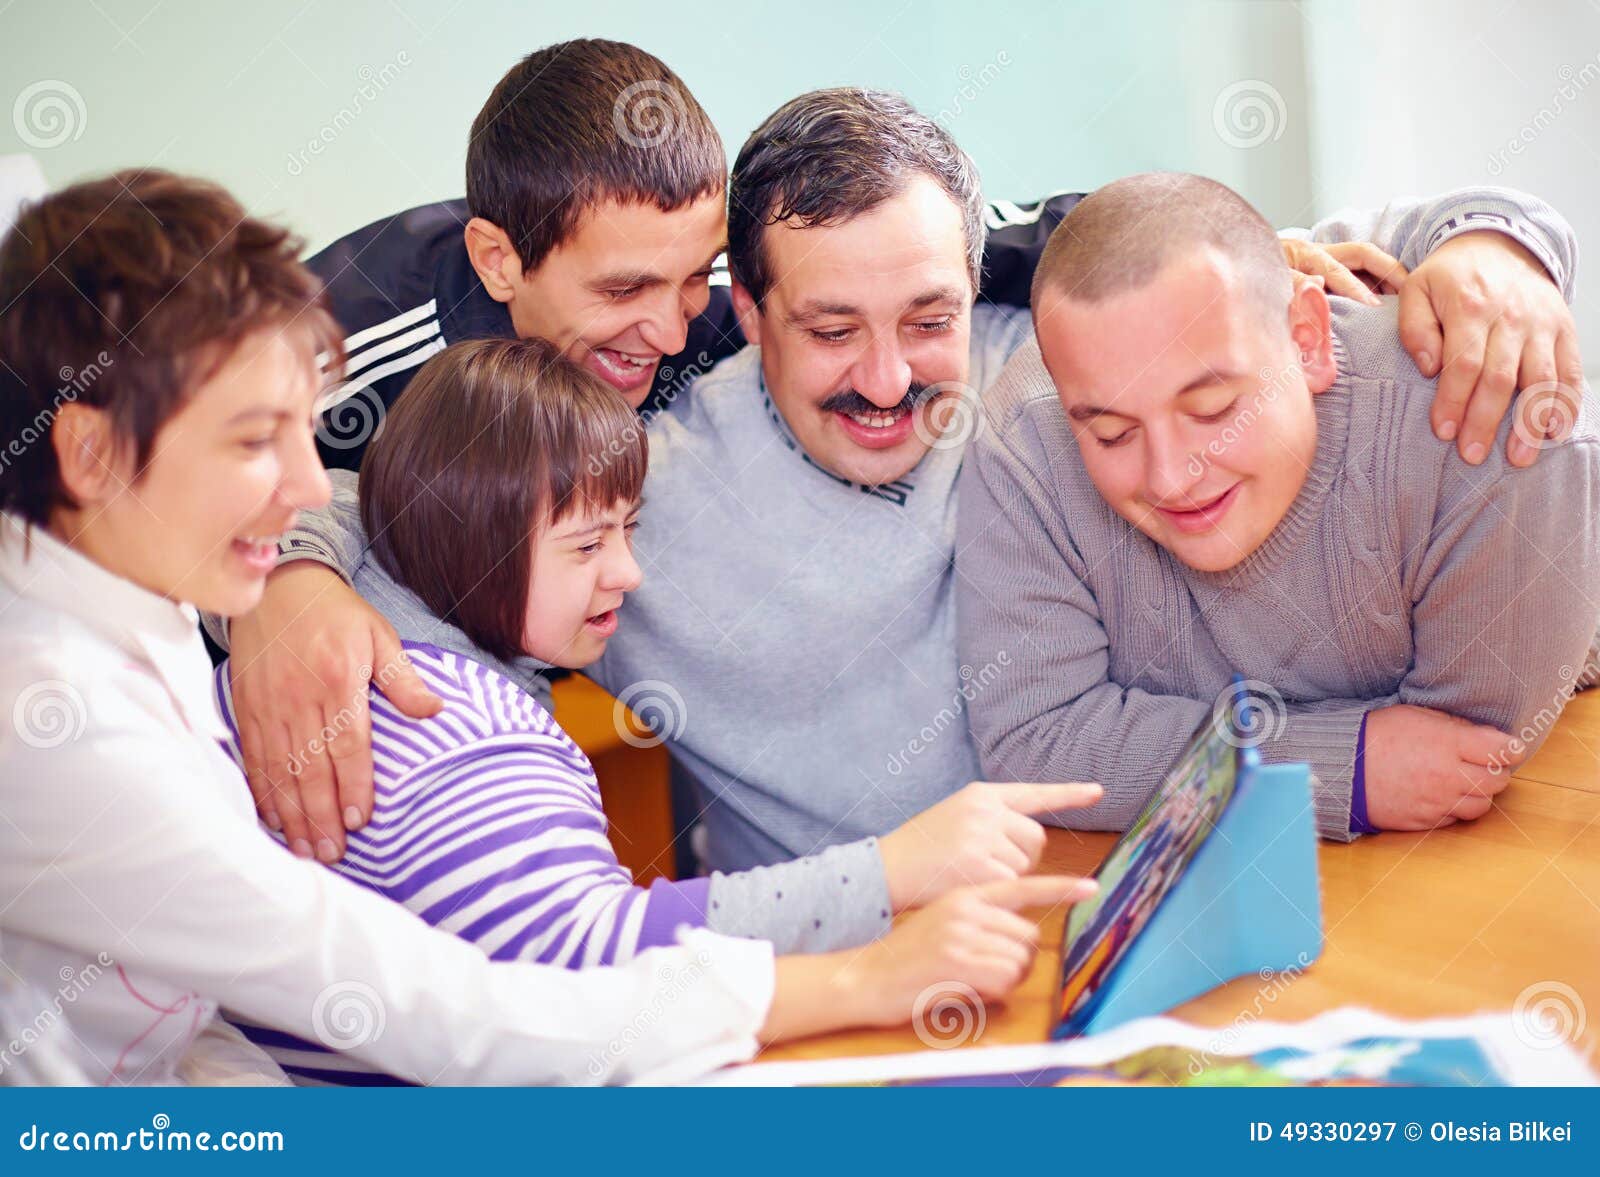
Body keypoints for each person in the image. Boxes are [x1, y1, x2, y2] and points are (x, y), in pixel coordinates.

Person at [259, 87, 1588, 876]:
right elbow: (372, 524)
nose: (892, 381)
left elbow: (1305, 258)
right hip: (870, 976)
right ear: (743, 314)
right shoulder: (632, 489)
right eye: (831, 331)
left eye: (928, 317)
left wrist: (1497, 250)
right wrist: (295, 583)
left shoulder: (1060, 344)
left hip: (1185, 880)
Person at [0, 170, 1090, 1086]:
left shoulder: (143, 595)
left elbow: (207, 1023)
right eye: (252, 442)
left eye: (303, 432)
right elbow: (439, 1002)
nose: (302, 485)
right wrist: (866, 970)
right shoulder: (61, 728)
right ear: (89, 453)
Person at [212, 335, 1100, 1082]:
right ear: (470, 538)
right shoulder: (449, 727)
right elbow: (596, 962)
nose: (627, 574)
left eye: (628, 531)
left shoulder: (372, 626)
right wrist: (891, 879)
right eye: (590, 543)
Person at [956, 172, 1600, 839]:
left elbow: (1457, 760)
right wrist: (1330, 764)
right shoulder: (1025, 434)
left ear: (1309, 340)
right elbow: (1037, 741)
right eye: (1112, 433)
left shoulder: (1495, 431)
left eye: (1212, 410)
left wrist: (1498, 238)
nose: (1173, 478)